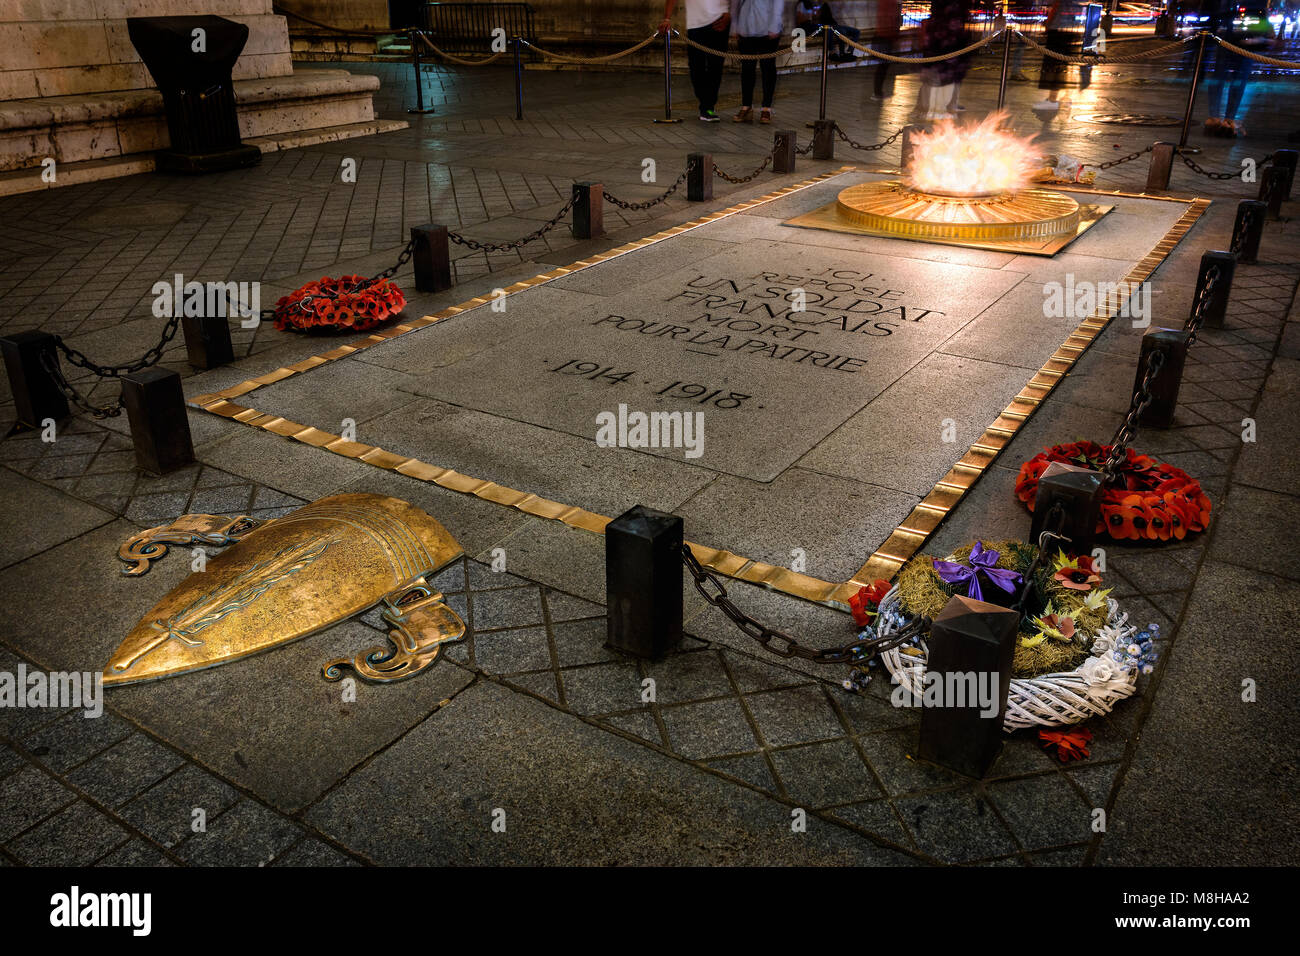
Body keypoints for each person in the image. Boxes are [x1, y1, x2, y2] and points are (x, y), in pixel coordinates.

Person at [661, 0, 732, 121]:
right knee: (696, 66)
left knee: (715, 67)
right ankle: (705, 103)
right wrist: (667, 18)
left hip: (720, 19)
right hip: (696, 24)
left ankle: (708, 107)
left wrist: (729, 13)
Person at [916, 0, 972, 121]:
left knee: (938, 85)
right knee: (939, 85)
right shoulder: (949, 18)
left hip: (942, 56)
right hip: (944, 57)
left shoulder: (941, 20)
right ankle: (936, 113)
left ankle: (935, 112)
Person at [732, 0, 784, 123]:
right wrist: (735, 26)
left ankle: (766, 108)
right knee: (747, 69)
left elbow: (778, 3)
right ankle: (746, 106)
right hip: (746, 27)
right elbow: (735, 3)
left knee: (768, 68)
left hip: (766, 27)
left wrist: (774, 25)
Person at [1033, 0, 1078, 112]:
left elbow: (1055, 7)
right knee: (1061, 65)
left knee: (1053, 67)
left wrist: (1047, 24)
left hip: (1057, 32)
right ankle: (1057, 98)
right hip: (1068, 31)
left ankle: (1052, 100)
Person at [795, 0, 861, 59]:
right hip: (819, 26)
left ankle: (848, 52)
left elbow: (818, 17)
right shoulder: (802, 4)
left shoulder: (820, 4)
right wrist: (812, 15)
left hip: (832, 25)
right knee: (837, 30)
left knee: (855, 31)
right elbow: (802, 20)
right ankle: (835, 52)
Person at [871, 0, 902, 101]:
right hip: (885, 36)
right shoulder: (891, 3)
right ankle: (877, 93)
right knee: (883, 66)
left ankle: (878, 92)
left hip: (882, 34)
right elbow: (892, 19)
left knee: (883, 66)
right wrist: (895, 37)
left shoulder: (885, 2)